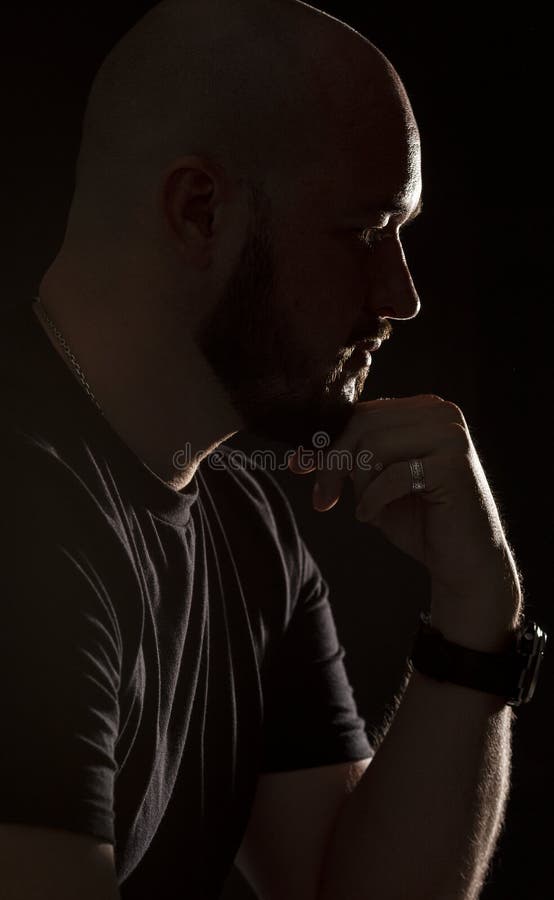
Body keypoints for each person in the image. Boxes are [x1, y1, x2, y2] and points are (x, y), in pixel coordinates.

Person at [0, 1, 527, 898]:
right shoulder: (24, 525)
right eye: (366, 231)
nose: (401, 297)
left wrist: (477, 618)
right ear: (199, 209)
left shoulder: (247, 530)